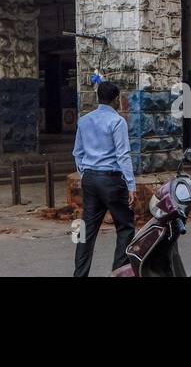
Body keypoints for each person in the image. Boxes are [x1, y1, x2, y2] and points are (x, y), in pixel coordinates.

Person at [72, 80, 135, 277]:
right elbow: (123, 155)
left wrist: (85, 174)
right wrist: (131, 185)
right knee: (125, 227)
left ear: (99, 98)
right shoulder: (117, 122)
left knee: (86, 231)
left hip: (90, 179)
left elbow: (77, 153)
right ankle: (119, 272)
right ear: (116, 99)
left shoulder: (84, 120)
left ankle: (79, 274)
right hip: (111, 180)